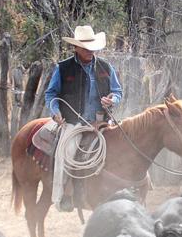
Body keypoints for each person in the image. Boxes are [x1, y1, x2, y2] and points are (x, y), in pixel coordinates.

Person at [43, 25, 124, 211]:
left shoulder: (105, 67)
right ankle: (62, 195)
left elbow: (117, 91)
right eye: (85, 47)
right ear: (76, 48)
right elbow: (51, 94)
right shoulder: (63, 68)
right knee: (66, 152)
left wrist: (112, 99)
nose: (90, 51)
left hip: (101, 121)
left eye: (92, 47)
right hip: (74, 122)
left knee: (121, 148)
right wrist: (55, 111)